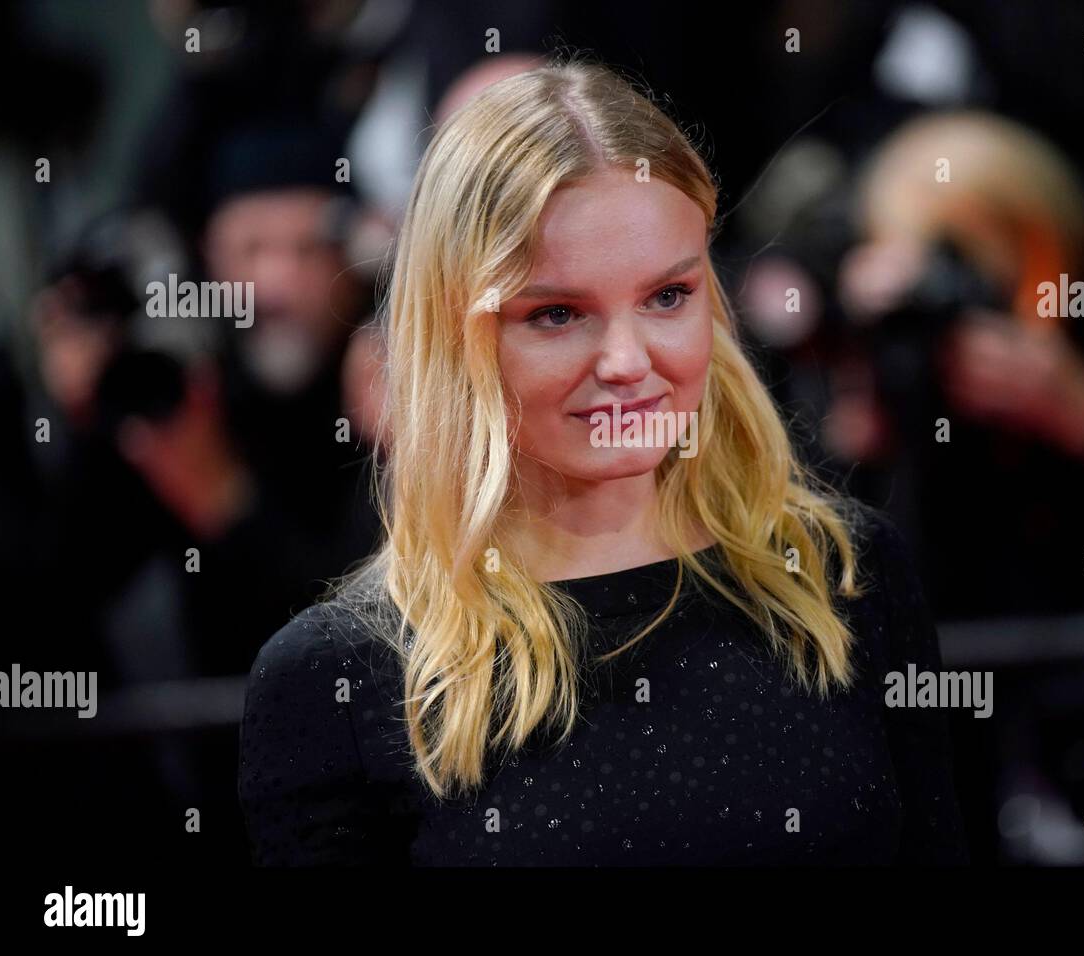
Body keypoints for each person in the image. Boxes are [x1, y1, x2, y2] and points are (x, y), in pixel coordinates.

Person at [238, 59, 968, 866]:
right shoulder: (338, 677)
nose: (627, 360)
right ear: (454, 336)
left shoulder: (843, 574)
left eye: (666, 297)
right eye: (557, 313)